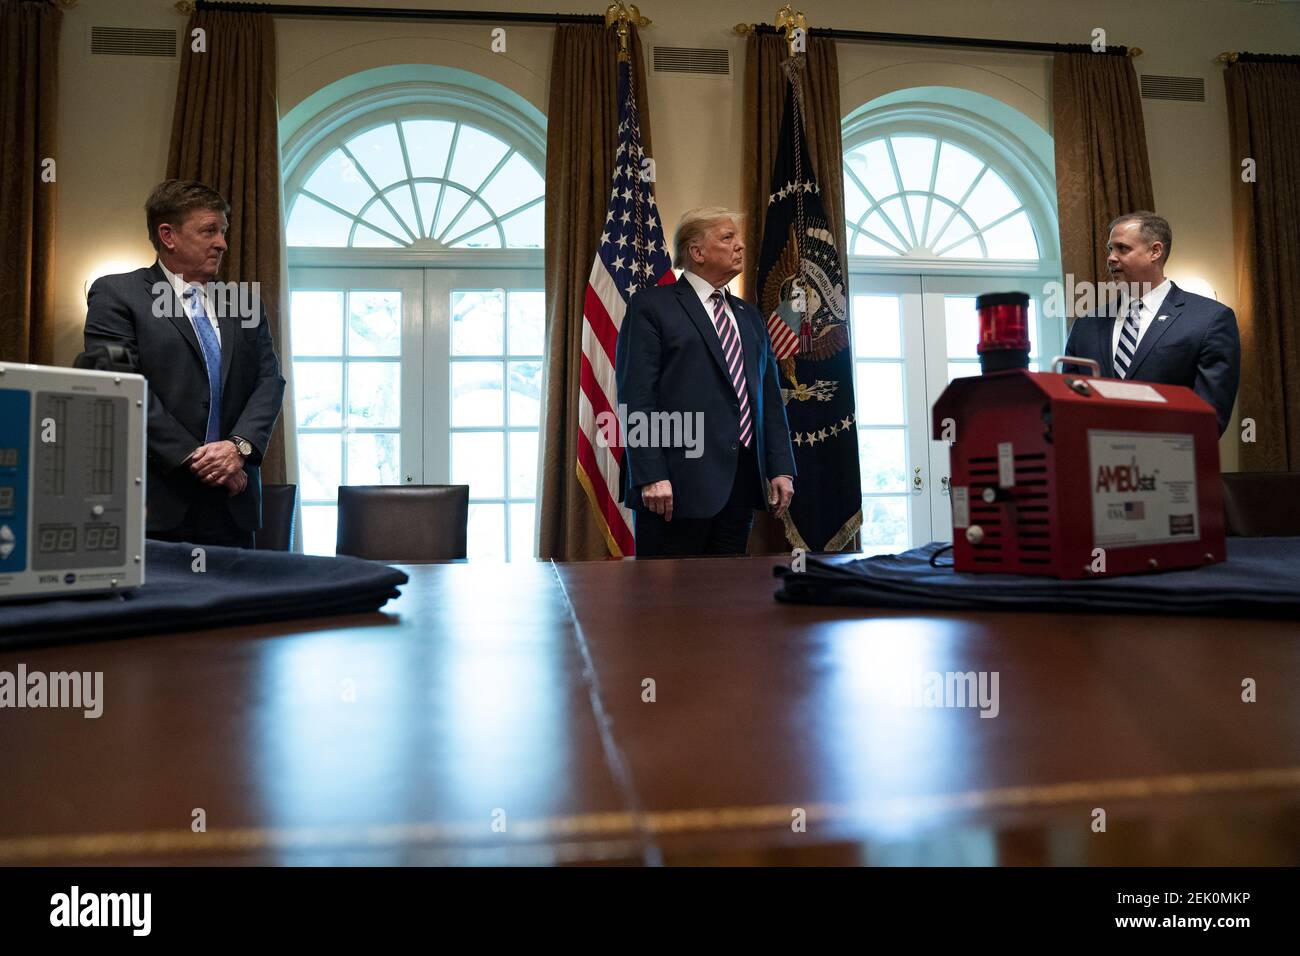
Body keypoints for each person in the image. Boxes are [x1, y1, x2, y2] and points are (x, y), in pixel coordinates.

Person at [84, 180, 285, 548]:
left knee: (237, 606)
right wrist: (199, 459)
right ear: (168, 235)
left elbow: (269, 382)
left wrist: (237, 449)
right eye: (209, 230)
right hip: (156, 503)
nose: (222, 243)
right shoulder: (117, 294)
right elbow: (121, 385)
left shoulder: (244, 303)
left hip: (232, 502)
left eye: (223, 232)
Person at [615, 207, 795, 558]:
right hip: (672, 490)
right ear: (696, 252)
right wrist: (651, 474)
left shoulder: (749, 315)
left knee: (725, 604)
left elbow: (769, 400)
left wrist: (781, 468)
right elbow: (638, 397)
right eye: (728, 238)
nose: (740, 246)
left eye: (738, 238)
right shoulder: (652, 306)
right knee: (668, 608)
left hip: (739, 487)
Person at [1063, 211, 1240, 435]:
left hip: (1171, 461)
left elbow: (1210, 415)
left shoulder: (1210, 319)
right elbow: (1067, 404)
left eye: (1122, 248)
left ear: (1155, 251)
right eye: (1110, 249)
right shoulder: (1086, 325)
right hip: (1097, 465)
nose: (1111, 258)